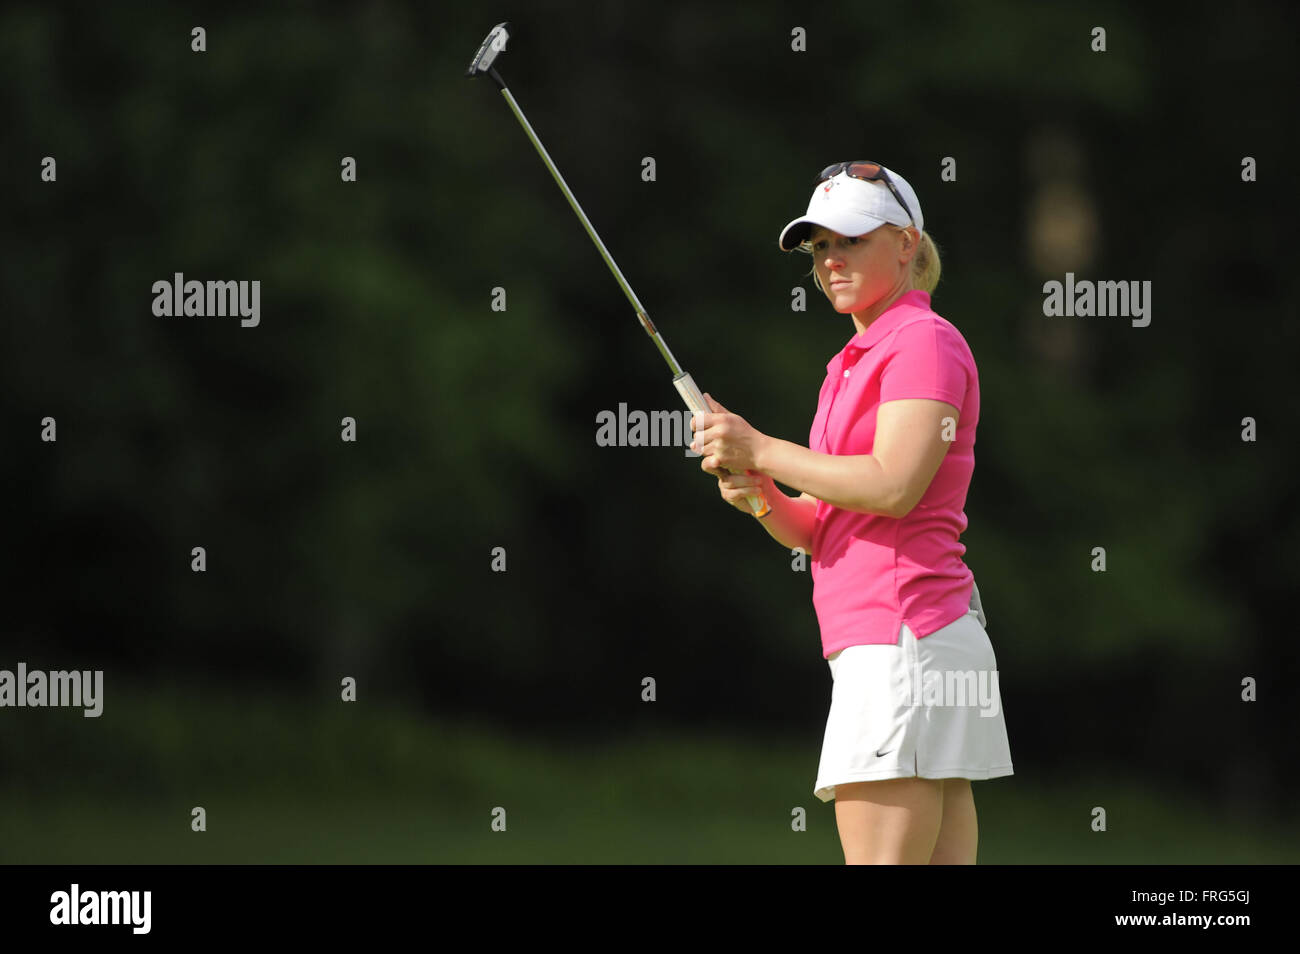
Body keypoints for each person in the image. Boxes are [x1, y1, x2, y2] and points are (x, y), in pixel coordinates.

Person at [689, 161, 1013, 864]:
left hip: (905, 641)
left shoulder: (922, 343)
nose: (831, 259)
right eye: (820, 246)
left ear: (906, 243)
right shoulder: (851, 362)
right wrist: (760, 492)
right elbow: (824, 525)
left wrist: (765, 448)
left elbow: (893, 485)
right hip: (910, 644)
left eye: (852, 240)